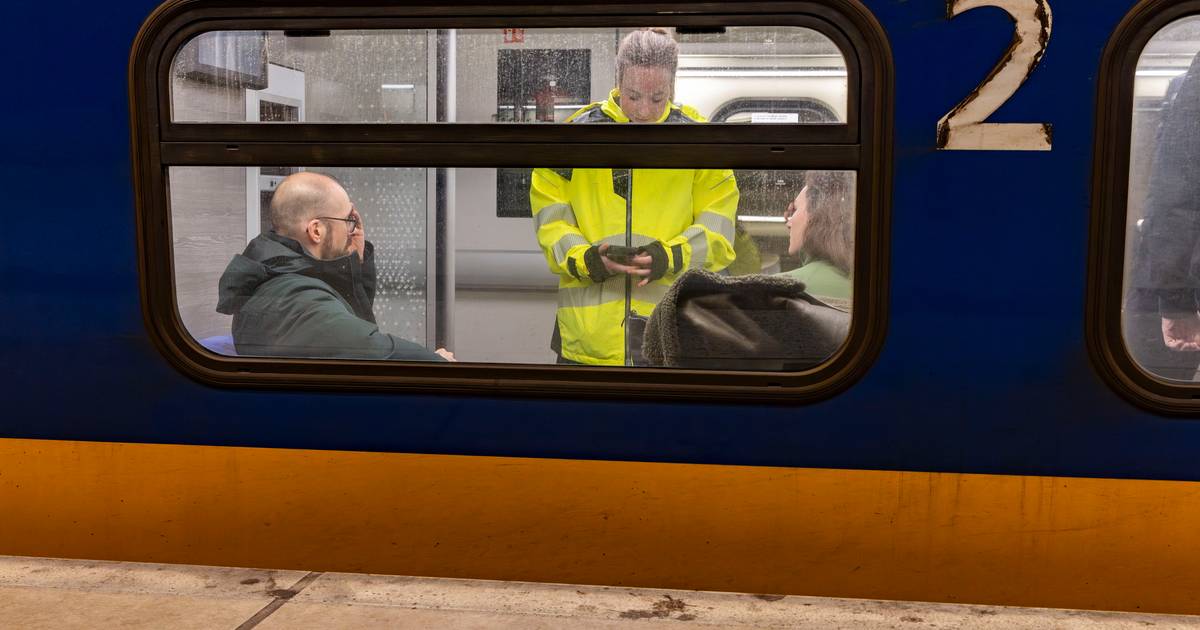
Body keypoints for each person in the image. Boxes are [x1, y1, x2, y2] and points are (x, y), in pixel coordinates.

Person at [530, 27, 740, 366]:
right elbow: (550, 218)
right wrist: (587, 258)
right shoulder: (575, 134)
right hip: (586, 345)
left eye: (657, 98)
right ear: (618, 82)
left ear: (672, 87)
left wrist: (671, 256)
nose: (643, 110)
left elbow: (719, 230)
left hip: (668, 339)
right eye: (633, 95)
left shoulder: (701, 140)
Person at [216, 172, 454, 362]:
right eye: (347, 220)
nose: (352, 229)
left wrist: (355, 263)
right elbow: (374, 350)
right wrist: (435, 362)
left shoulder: (285, 275)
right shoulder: (293, 301)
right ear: (316, 230)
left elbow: (351, 325)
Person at [778, 171, 854, 304]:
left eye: (795, 209)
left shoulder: (777, 289)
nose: (788, 223)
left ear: (815, 215)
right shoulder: (869, 285)